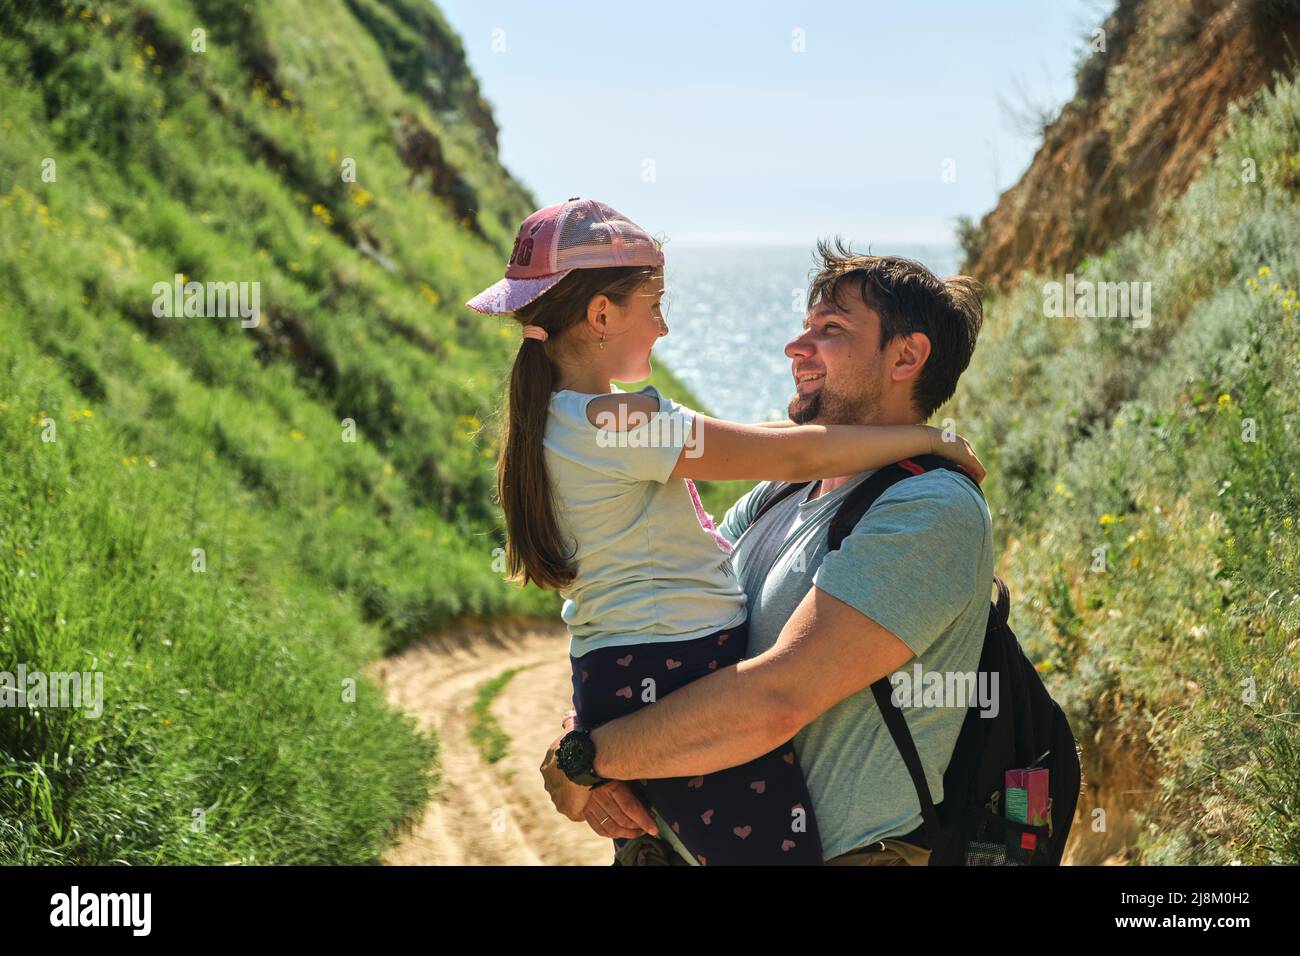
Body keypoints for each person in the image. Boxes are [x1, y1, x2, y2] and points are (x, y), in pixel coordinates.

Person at [469, 199, 983, 865]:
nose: (794, 347)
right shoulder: (780, 493)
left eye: (828, 329)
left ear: (908, 356)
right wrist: (589, 754)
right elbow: (794, 452)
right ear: (600, 315)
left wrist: (590, 756)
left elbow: (773, 701)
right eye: (652, 307)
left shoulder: (929, 507)